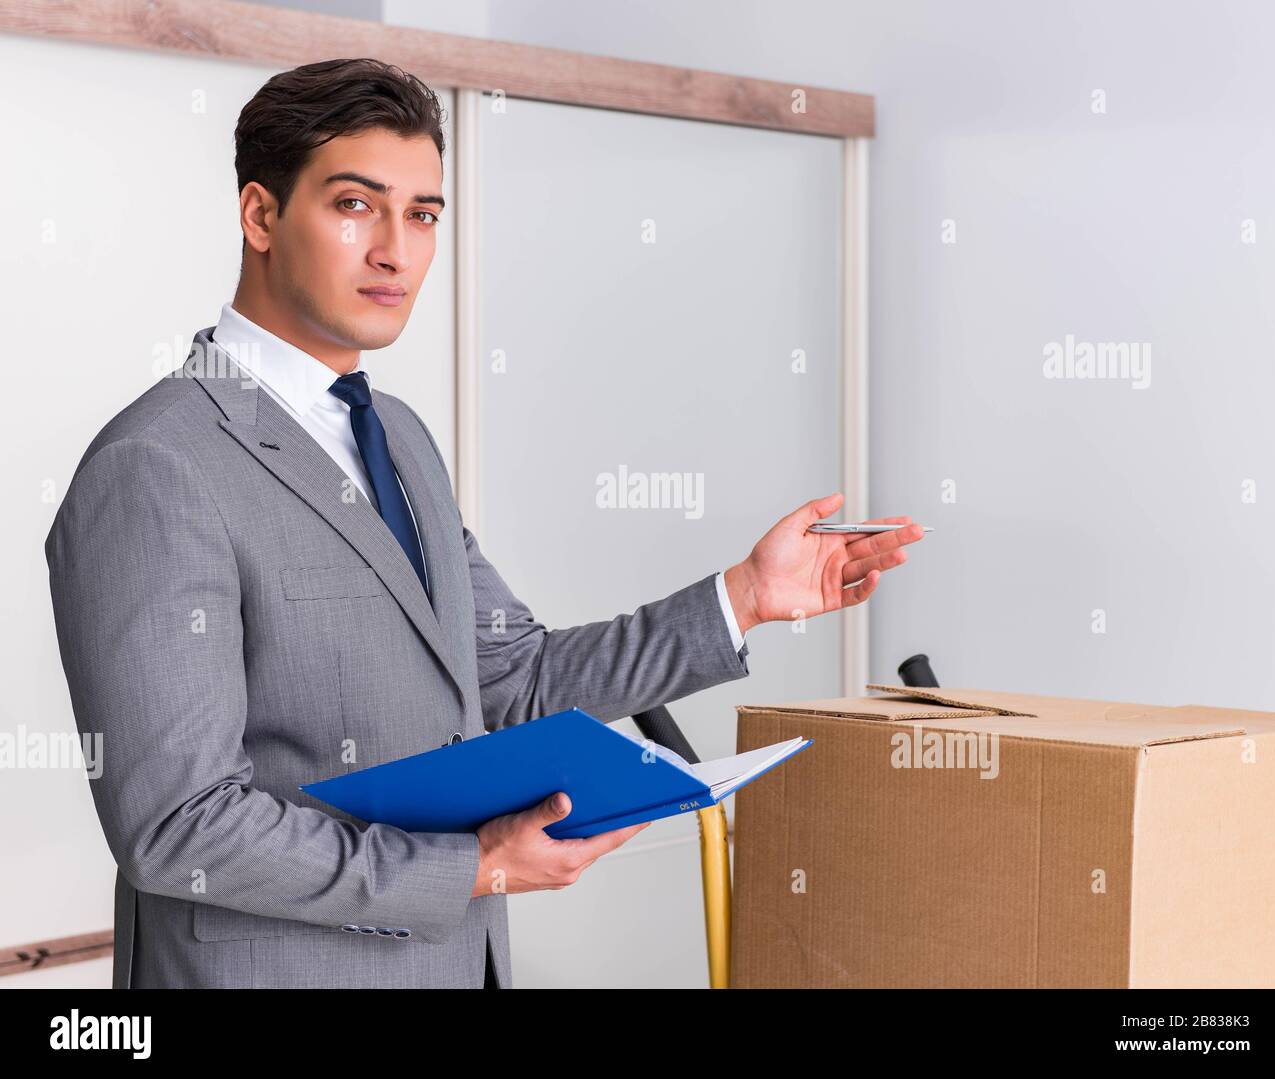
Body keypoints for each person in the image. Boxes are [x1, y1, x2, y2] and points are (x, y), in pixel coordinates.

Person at [44, 58, 925, 989]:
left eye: (422, 215)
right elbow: (179, 827)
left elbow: (511, 678)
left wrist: (744, 599)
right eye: (355, 205)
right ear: (260, 215)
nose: (397, 250)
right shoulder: (157, 467)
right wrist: (477, 867)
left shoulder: (400, 441)